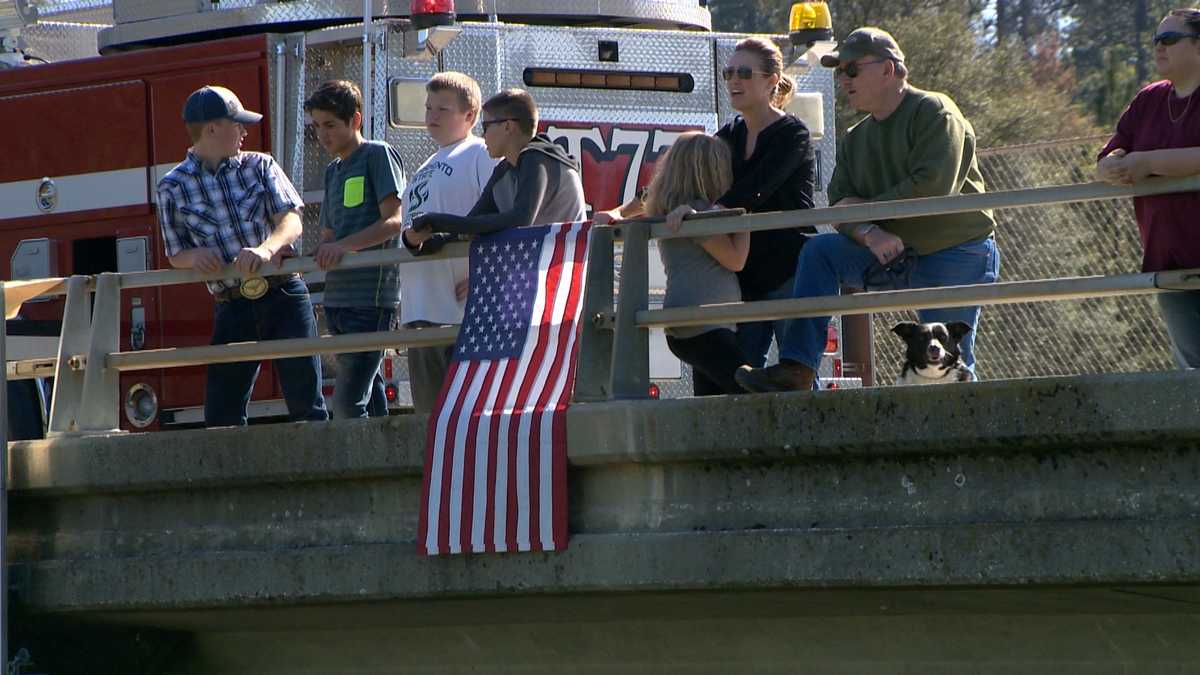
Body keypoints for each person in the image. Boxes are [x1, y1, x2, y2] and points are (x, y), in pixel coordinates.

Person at [736, 27, 1000, 393]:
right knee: (820, 251)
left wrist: (865, 210)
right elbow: (838, 203)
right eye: (838, 71)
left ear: (889, 70)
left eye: (852, 69)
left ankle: (974, 441)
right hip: (889, 251)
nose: (843, 79)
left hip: (954, 252)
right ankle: (798, 369)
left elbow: (932, 189)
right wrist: (868, 231)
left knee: (946, 370)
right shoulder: (854, 138)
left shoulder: (935, 112)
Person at [599, 37, 815, 374]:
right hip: (744, 278)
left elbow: (756, 189)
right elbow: (676, 182)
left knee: (797, 378)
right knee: (740, 387)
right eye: (728, 73)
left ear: (772, 80)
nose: (733, 81)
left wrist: (703, 213)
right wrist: (621, 212)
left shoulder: (793, 134)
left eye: (744, 72)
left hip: (789, 274)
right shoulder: (729, 134)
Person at [156, 85, 328, 425]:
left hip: (283, 291)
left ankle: (323, 474)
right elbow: (175, 252)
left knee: (307, 403)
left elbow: (292, 221)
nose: (244, 132)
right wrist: (195, 258)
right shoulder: (171, 186)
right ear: (212, 129)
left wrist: (266, 249)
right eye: (238, 124)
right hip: (231, 301)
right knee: (222, 413)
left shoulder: (261, 165)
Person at [1097, 8, 1200, 370]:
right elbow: (1110, 154)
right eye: (1156, 39)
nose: (1158, 47)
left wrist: (1149, 163)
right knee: (1193, 372)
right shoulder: (1149, 99)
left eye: (1169, 39)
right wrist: (1113, 165)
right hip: (1169, 259)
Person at [306, 79, 406, 419]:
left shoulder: (377, 154)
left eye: (330, 125)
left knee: (348, 404)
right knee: (370, 394)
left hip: (370, 298)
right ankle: (384, 468)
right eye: (317, 126)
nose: (322, 134)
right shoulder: (333, 170)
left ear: (356, 121)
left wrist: (342, 248)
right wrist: (300, 256)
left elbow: (394, 221)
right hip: (337, 299)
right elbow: (329, 236)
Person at [399, 72, 497, 415]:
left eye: (443, 108)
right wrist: (410, 238)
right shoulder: (425, 165)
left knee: (471, 418)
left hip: (463, 312)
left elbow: (503, 217)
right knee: (432, 422)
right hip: (421, 309)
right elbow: (408, 227)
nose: (432, 116)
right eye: (428, 108)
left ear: (470, 116)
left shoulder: (481, 154)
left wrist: (489, 277)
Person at [646, 132, 752, 395]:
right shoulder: (696, 216)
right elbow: (736, 259)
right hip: (706, 325)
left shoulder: (674, 209)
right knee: (751, 391)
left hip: (689, 322)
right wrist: (746, 215)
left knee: (712, 405)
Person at [409, 88, 586, 242]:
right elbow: (471, 223)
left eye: (486, 126)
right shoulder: (504, 169)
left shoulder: (537, 157)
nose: (483, 135)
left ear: (508, 126)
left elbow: (521, 219)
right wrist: (420, 240)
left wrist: (438, 222)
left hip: (561, 271)